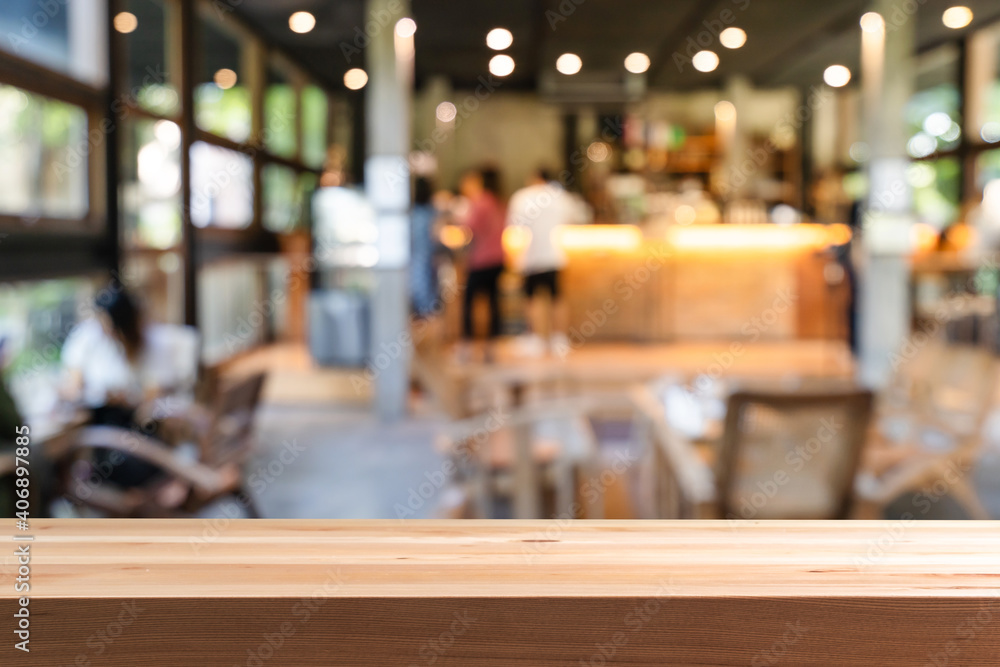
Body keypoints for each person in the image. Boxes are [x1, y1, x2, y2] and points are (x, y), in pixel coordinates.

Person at [61, 285, 198, 496]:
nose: (103, 329)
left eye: (108, 324)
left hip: (136, 433)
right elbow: (72, 385)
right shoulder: (89, 338)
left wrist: (127, 399)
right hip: (106, 426)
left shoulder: (152, 344)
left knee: (103, 469)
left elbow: (153, 398)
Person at [506, 168, 576, 357]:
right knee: (557, 299)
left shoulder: (521, 197)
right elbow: (575, 218)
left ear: (535, 178)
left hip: (531, 257)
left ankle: (536, 339)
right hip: (554, 256)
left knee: (531, 299)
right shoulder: (561, 197)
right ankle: (560, 339)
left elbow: (514, 225)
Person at [458, 167, 506, 361]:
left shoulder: (480, 202)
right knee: (494, 303)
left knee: (469, 302)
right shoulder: (500, 202)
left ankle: (467, 346)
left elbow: (469, 227)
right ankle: (491, 348)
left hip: (481, 260)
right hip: (498, 259)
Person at [410, 176, 439, 319]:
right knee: (427, 289)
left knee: (417, 286)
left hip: (414, 257)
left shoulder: (411, 213)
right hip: (429, 257)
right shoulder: (432, 212)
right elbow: (437, 237)